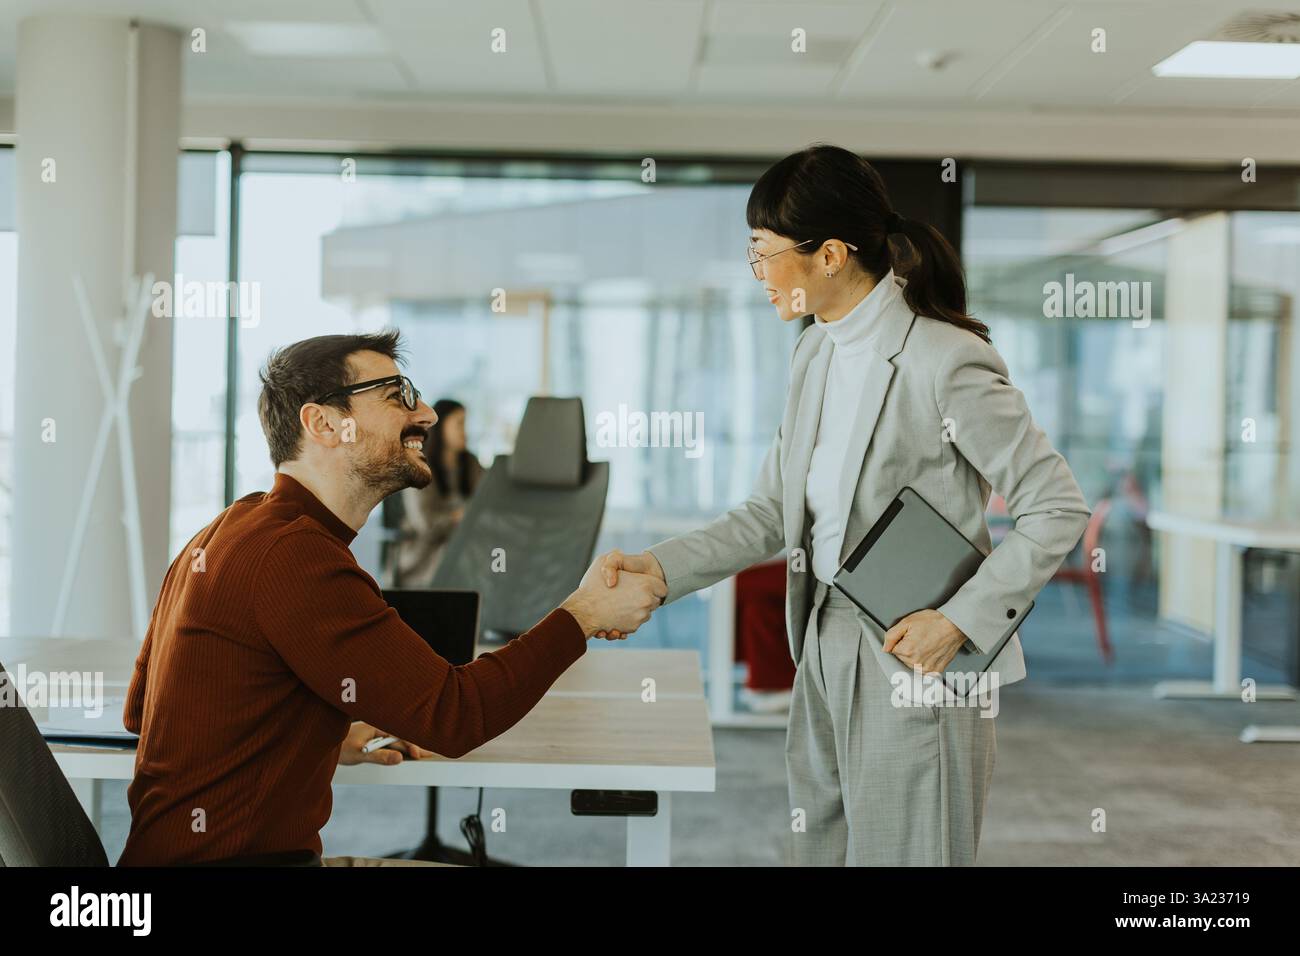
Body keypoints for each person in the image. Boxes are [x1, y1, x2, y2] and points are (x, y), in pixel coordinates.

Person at [598, 144, 1090, 866]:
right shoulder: (815, 355)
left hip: (917, 653)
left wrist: (957, 623)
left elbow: (1056, 506)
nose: (757, 273)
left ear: (829, 255)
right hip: (824, 634)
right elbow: (771, 512)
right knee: (816, 851)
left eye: (763, 252)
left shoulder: (944, 357)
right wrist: (659, 570)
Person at [119, 331, 664, 866]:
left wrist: (321, 746)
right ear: (325, 423)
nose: (425, 413)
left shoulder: (231, 527)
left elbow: (143, 710)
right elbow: (456, 717)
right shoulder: (296, 556)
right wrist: (584, 614)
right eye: (396, 394)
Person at [394, 398, 482, 587]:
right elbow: (427, 525)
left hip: (464, 552)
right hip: (426, 558)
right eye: (459, 424)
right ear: (441, 426)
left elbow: (486, 506)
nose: (465, 431)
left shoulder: (471, 463)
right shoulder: (419, 466)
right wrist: (461, 517)